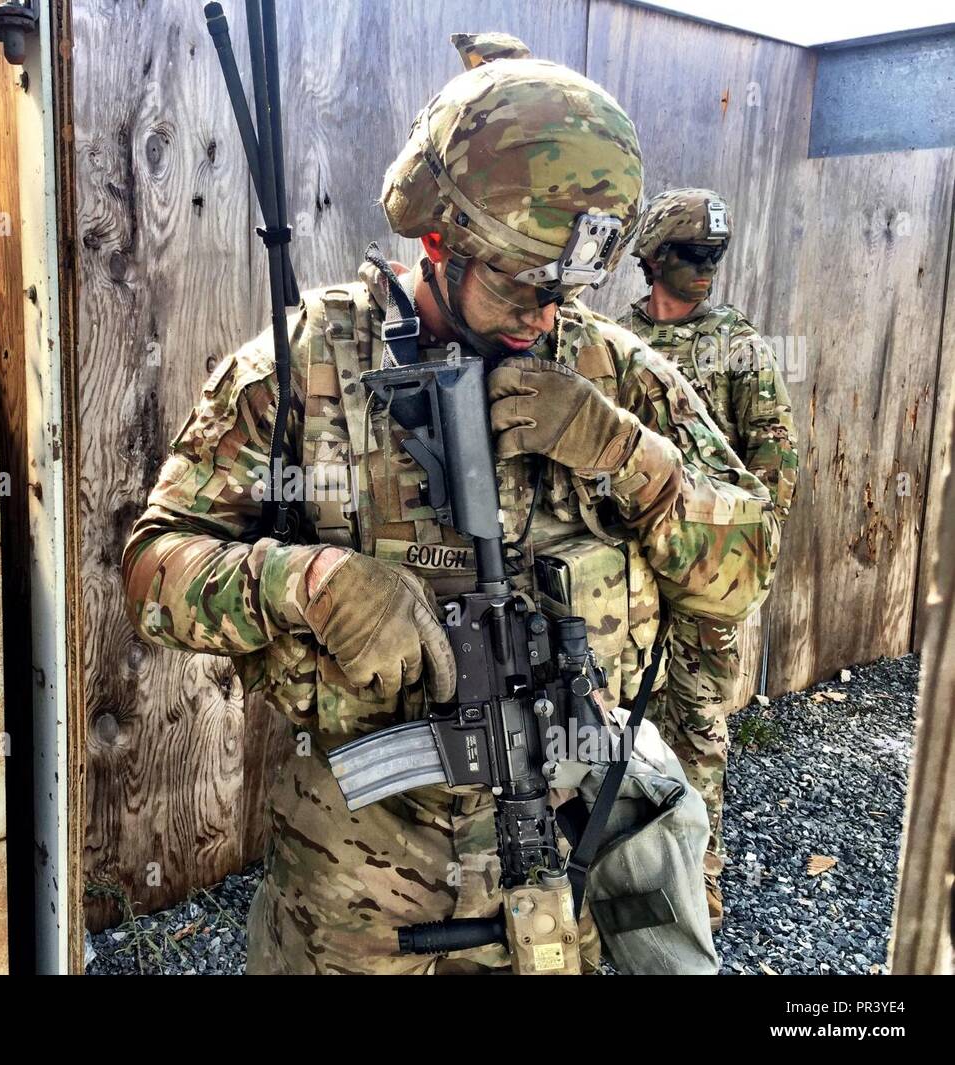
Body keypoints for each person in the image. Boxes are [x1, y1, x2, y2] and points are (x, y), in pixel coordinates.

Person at [122, 35, 779, 974]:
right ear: (440, 239)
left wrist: (630, 458)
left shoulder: (614, 373)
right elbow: (154, 571)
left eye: (568, 288)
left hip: (571, 881)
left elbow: (745, 573)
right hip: (359, 909)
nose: (546, 316)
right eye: (521, 283)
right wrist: (308, 580)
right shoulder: (306, 367)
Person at [620, 188, 799, 929]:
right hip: (630, 572)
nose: (707, 270)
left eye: (716, 256)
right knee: (620, 723)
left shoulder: (737, 345)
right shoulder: (616, 339)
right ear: (654, 257)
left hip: (704, 576)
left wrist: (741, 563)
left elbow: (775, 460)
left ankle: (697, 884)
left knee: (696, 726)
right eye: (693, 255)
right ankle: (628, 875)